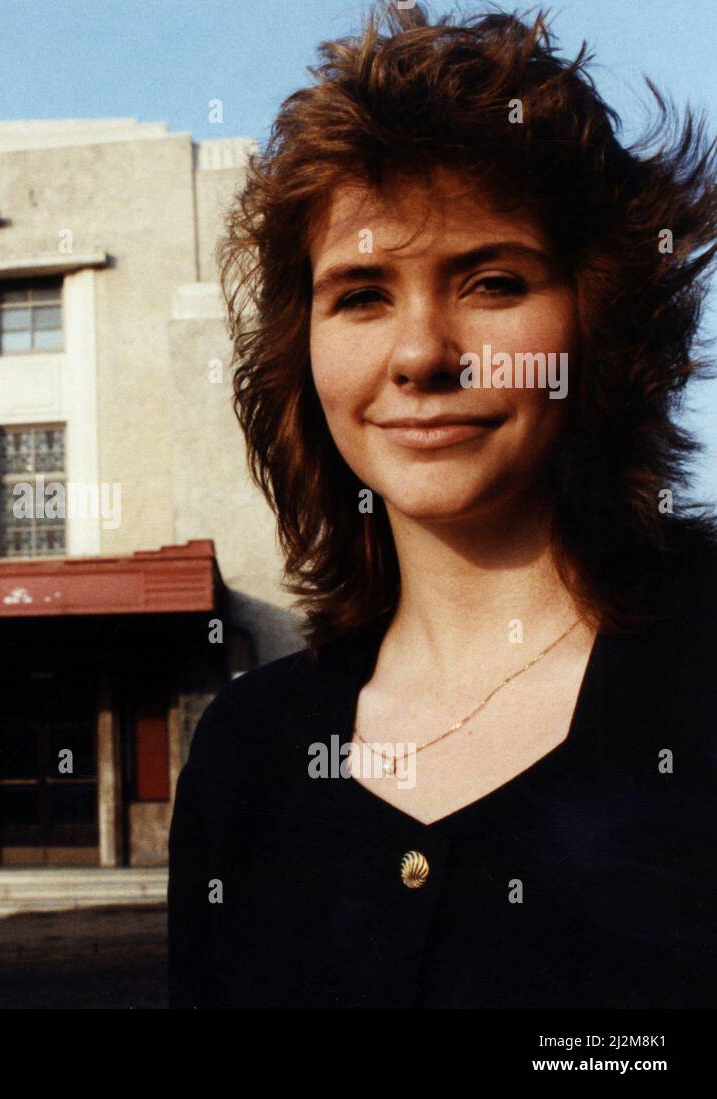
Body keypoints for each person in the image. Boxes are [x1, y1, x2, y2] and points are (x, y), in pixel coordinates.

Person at [169, 3, 717, 1008]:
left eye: (491, 281)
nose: (420, 354)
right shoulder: (246, 753)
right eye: (362, 295)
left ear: (600, 319)